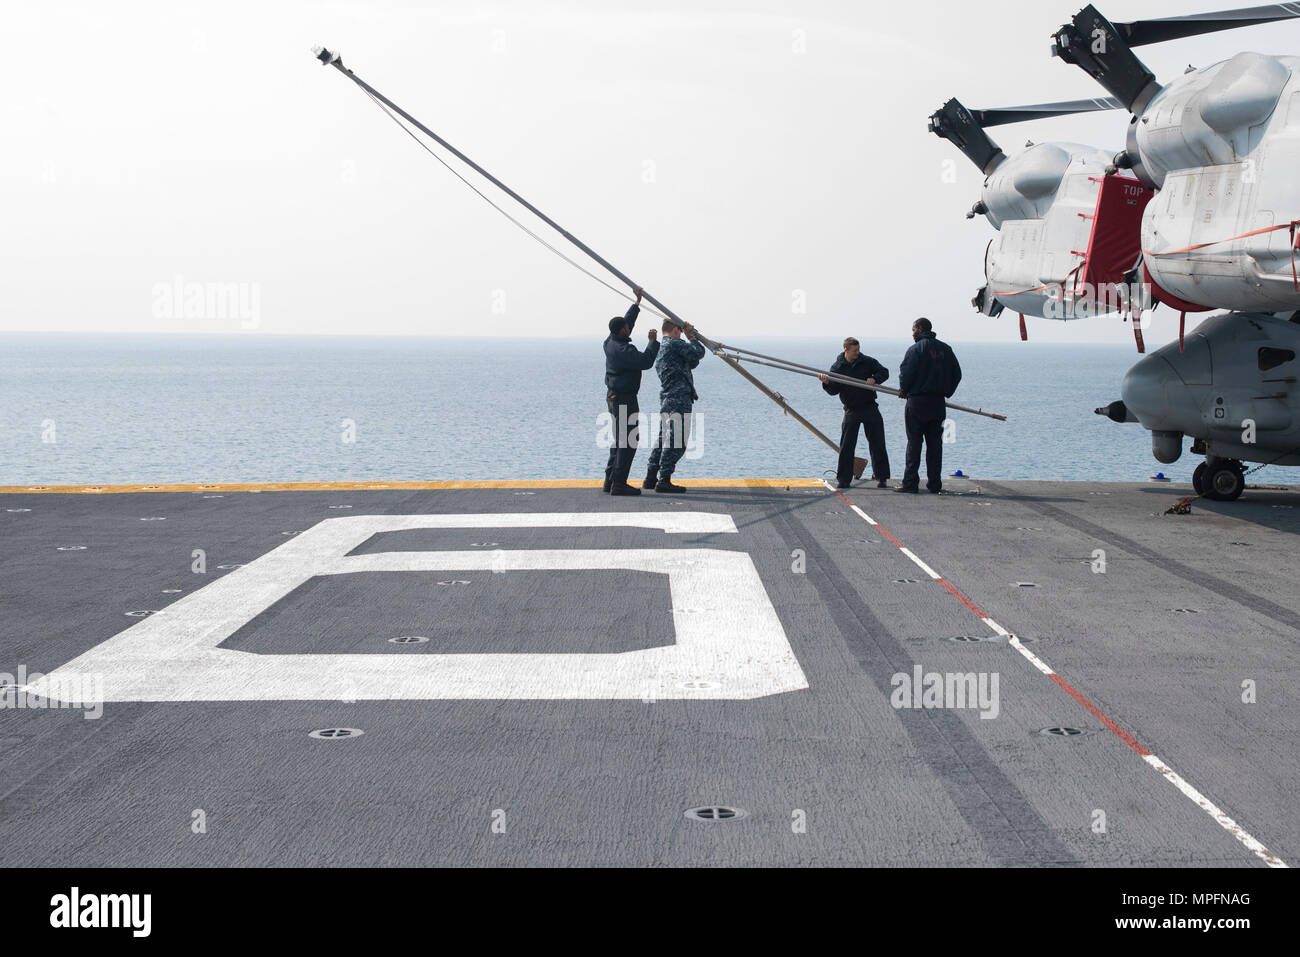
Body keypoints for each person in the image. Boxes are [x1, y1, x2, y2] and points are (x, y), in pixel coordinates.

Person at [896, 317, 961, 494]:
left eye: (913, 329)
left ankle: (910, 483)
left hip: (917, 402)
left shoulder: (915, 349)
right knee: (935, 445)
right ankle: (934, 484)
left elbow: (906, 373)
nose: (912, 333)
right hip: (938, 403)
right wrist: (947, 391)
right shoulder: (946, 349)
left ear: (920, 328)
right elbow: (957, 374)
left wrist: (904, 389)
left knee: (914, 443)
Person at [603, 288, 658, 495]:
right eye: (627, 328)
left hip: (614, 397)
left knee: (620, 439)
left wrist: (636, 304)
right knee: (629, 441)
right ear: (622, 331)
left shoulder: (610, 341)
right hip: (625, 399)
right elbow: (645, 362)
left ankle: (609, 480)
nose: (630, 329)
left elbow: (626, 322)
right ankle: (618, 484)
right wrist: (652, 342)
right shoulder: (624, 350)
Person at [818, 337, 891, 489]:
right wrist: (826, 383)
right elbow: (833, 390)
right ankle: (844, 479)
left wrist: (874, 378)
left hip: (869, 406)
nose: (858, 353)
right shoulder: (838, 367)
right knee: (847, 445)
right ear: (846, 350)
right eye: (854, 351)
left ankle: (882, 477)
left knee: (877, 442)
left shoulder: (867, 361)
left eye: (858, 350)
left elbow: (884, 372)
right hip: (851, 409)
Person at [643, 320, 706, 493]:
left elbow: (692, 361)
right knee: (676, 439)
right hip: (678, 397)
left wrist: (690, 347)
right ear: (677, 330)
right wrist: (692, 338)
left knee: (663, 436)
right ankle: (664, 479)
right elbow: (699, 352)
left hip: (667, 397)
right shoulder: (674, 343)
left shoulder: (665, 346)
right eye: (681, 331)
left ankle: (651, 476)